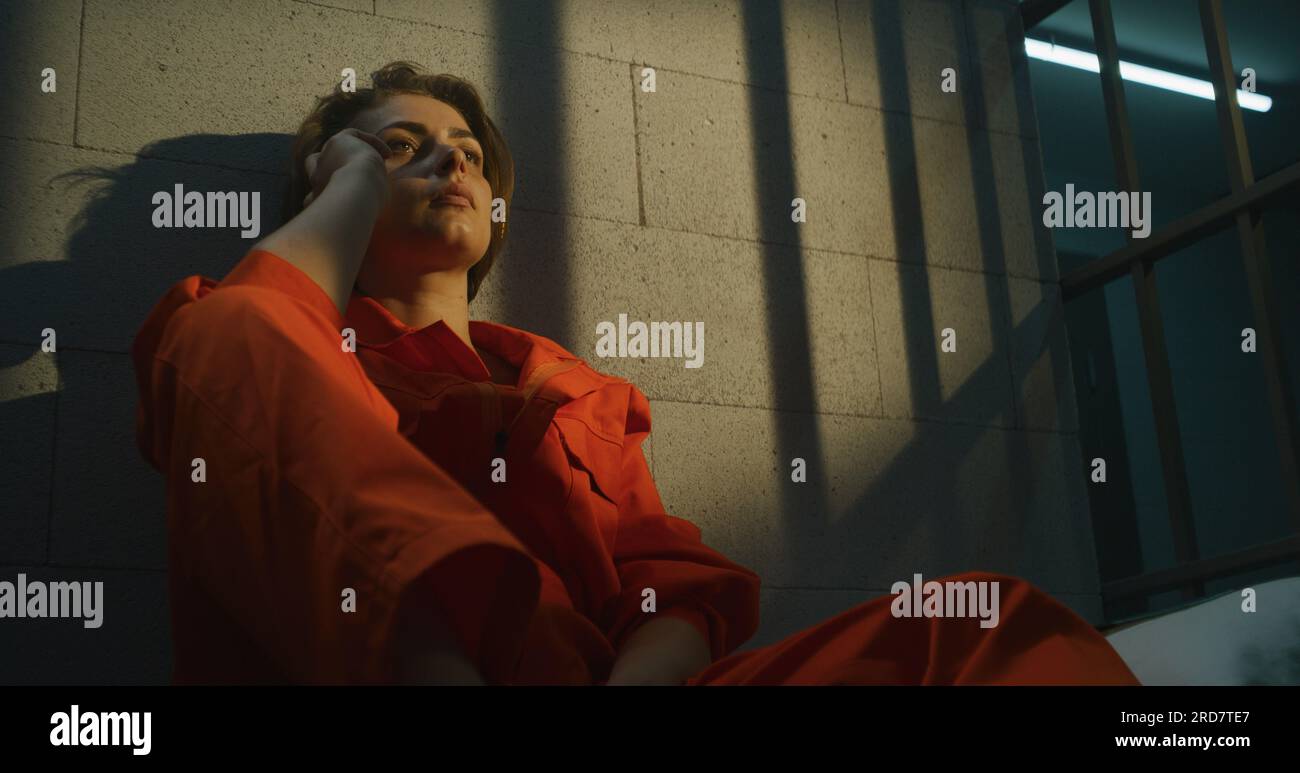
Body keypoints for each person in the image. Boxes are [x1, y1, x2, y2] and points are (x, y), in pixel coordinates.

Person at [132, 62, 1139, 685]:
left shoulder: (570, 390)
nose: (452, 163)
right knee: (227, 331)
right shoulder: (259, 337)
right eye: (402, 146)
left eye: (468, 150)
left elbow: (672, 586)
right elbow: (257, 332)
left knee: (989, 628)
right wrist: (347, 183)